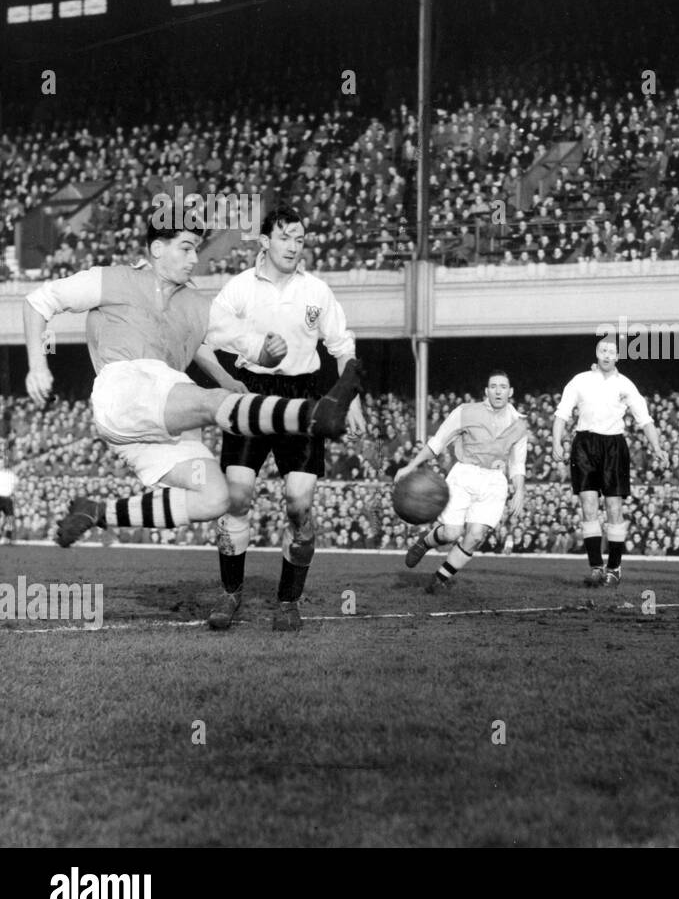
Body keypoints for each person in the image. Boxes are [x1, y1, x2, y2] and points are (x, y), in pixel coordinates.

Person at [21, 217, 362, 551]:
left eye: (196, 249)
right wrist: (38, 366)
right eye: (185, 249)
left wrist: (272, 352)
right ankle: (314, 415)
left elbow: (255, 348)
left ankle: (97, 512)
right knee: (211, 401)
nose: (194, 260)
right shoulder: (111, 279)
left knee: (215, 498)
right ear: (157, 248)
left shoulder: (199, 306)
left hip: (158, 419)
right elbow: (39, 302)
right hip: (123, 390)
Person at [203, 209, 366, 633]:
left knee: (299, 504)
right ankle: (230, 593)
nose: (294, 245)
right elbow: (209, 335)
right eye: (285, 237)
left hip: (302, 398)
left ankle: (289, 601)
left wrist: (353, 399)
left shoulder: (317, 291)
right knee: (236, 496)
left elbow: (342, 347)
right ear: (264, 241)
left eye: (300, 238)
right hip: (251, 395)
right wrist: (233, 375)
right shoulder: (239, 288)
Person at [398, 370, 529, 593]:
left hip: (495, 481)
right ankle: (425, 542)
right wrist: (410, 466)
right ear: (486, 391)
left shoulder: (519, 423)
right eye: (493, 386)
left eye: (503, 387)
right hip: (465, 474)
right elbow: (437, 442)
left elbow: (517, 463)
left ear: (511, 392)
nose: (498, 391)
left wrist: (519, 491)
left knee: (476, 536)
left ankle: (439, 579)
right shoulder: (465, 412)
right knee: (451, 533)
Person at [551, 339, 668, 587]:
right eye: (603, 351)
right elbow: (562, 413)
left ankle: (614, 568)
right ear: (597, 353)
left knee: (614, 507)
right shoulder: (580, 380)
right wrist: (556, 443)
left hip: (614, 446)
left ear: (617, 356)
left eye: (611, 352)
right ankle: (596, 567)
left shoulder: (625, 385)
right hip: (584, 444)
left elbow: (644, 419)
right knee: (588, 504)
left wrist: (656, 447)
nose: (607, 355)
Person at [0, 456, 16, 544]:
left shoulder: (10, 474)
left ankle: (8, 537)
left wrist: (13, 494)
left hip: (7, 498)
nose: (0, 464)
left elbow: (15, 485)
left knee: (10, 518)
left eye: (2, 462)